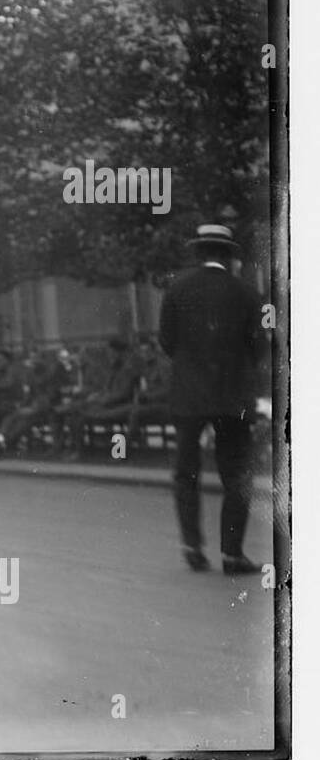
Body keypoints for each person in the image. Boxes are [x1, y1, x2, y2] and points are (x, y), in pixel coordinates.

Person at [159, 221, 266, 575]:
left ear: (200, 253)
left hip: (188, 396)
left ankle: (192, 546)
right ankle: (232, 554)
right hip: (232, 395)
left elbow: (167, 342)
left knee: (185, 472)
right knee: (236, 475)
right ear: (229, 256)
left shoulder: (176, 289)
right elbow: (258, 347)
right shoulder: (247, 293)